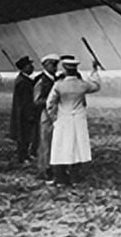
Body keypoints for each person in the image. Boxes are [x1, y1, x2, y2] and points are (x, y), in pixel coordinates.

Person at [46, 57, 101, 185]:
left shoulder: (59, 85)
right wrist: (94, 71)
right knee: (77, 147)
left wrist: (54, 117)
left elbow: (50, 103)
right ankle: (75, 177)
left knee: (61, 147)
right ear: (76, 69)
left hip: (63, 119)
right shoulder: (82, 85)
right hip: (78, 120)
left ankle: (60, 178)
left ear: (65, 69)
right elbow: (96, 86)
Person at [32, 53, 60, 183]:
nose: (55, 67)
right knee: (46, 142)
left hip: (55, 114)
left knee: (53, 142)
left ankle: (51, 167)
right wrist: (52, 100)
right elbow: (37, 101)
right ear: (45, 65)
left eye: (56, 65)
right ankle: (45, 168)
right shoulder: (41, 80)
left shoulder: (54, 79)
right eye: (52, 64)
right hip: (46, 115)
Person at [8, 55, 38, 164]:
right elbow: (25, 101)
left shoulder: (23, 79)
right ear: (24, 68)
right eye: (29, 65)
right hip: (23, 113)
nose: (32, 67)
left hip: (22, 112)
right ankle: (22, 157)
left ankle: (25, 155)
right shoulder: (23, 82)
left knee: (24, 134)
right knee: (23, 135)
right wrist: (29, 114)